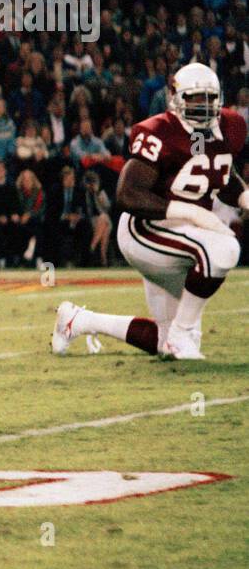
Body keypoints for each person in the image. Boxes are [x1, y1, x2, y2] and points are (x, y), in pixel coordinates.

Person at [53, 63, 246, 360]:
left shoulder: (229, 127)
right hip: (147, 229)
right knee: (224, 248)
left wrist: (245, 196)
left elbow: (219, 172)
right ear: (176, 96)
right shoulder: (160, 132)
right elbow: (127, 194)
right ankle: (181, 335)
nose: (204, 107)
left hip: (184, 237)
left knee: (164, 341)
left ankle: (77, 321)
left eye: (209, 98)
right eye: (196, 98)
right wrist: (193, 214)